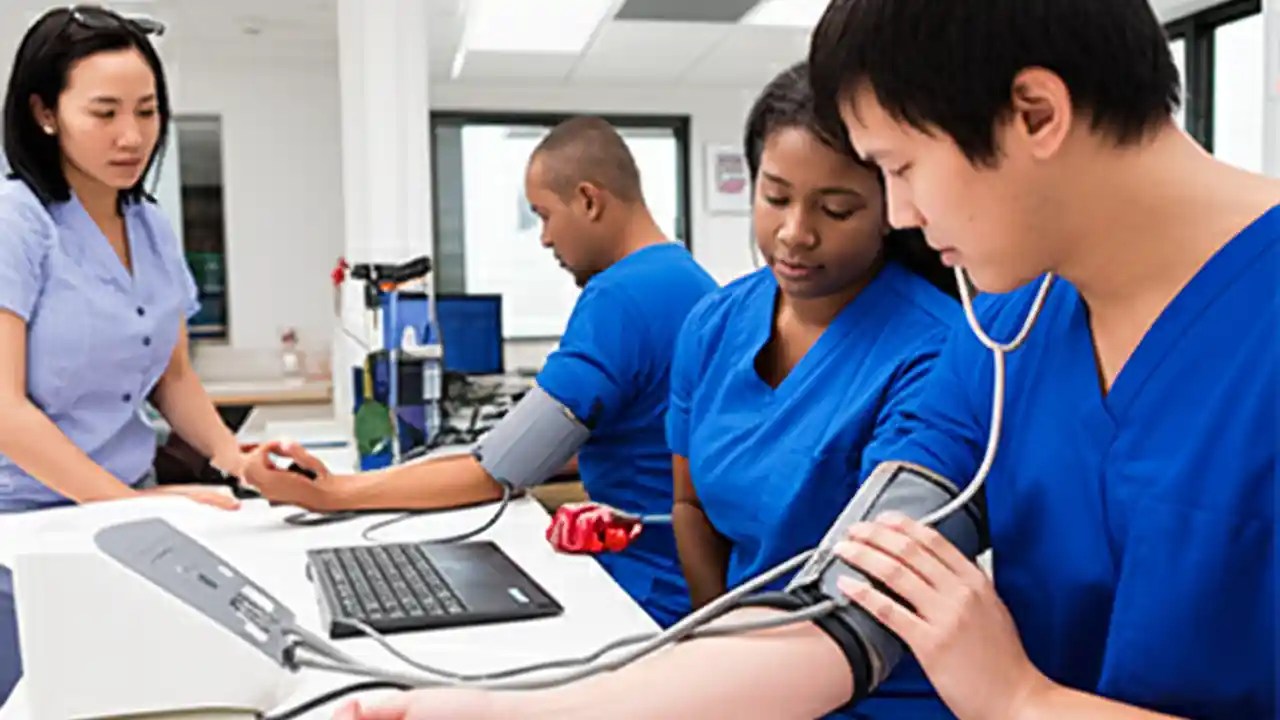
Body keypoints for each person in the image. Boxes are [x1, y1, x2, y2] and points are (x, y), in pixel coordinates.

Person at [331, 0, 1277, 718]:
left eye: (898, 169)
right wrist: (523, 709)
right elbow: (848, 606)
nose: (899, 216)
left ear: (1034, 113)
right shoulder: (1010, 319)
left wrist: (1022, 702)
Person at [244, 116, 719, 628]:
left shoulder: (618, 299)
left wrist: (333, 492)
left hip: (643, 597)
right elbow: (628, 447)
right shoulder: (695, 283)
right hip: (692, 585)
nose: (543, 239)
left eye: (544, 215)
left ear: (588, 200)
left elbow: (501, 470)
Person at [666, 63, 957, 716]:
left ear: (893, 209)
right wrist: (712, 635)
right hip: (736, 666)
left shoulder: (936, 350)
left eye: (836, 209)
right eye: (775, 197)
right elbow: (691, 506)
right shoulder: (714, 324)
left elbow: (875, 590)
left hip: (875, 683)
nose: (796, 232)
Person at [0, 4, 249, 703]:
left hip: (120, 512)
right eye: (104, 112)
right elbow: (5, 411)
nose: (131, 135)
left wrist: (238, 461)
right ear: (45, 112)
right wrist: (128, 508)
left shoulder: (151, 224)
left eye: (147, 110)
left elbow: (173, 378)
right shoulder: (16, 221)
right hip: (22, 530)